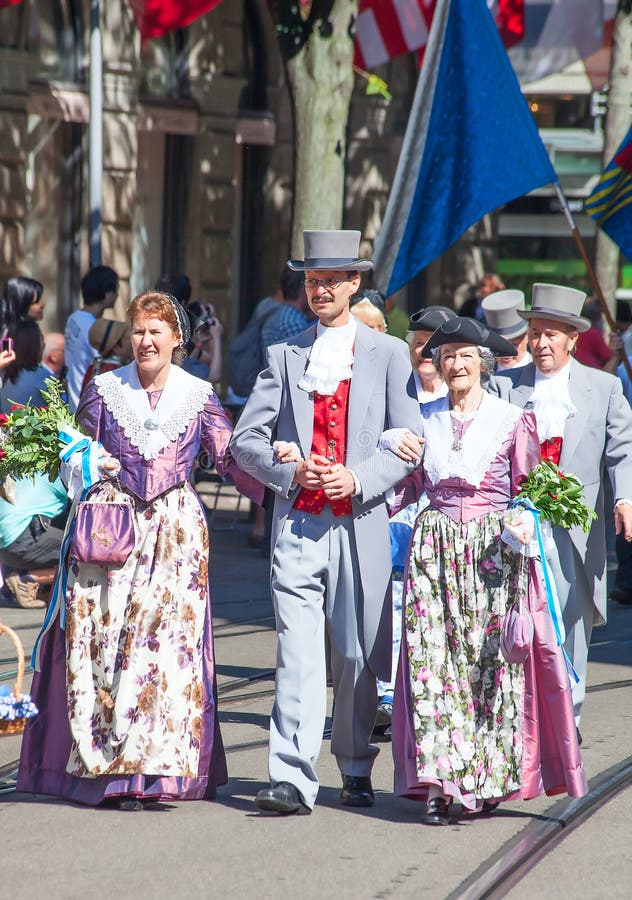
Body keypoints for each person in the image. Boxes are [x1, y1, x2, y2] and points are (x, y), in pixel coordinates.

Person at [18, 290, 262, 809]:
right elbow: (70, 455)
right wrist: (90, 463)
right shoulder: (105, 389)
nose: (146, 340)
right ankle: (107, 764)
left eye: (156, 331)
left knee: (163, 651)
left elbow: (230, 456)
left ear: (177, 339)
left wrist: (282, 472)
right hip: (111, 533)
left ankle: (151, 769)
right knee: (106, 647)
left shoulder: (198, 395)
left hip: (175, 537)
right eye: (138, 331)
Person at [230, 230, 422, 816]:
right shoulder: (285, 355)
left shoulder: (388, 354)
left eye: (331, 281)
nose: (320, 290)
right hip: (299, 526)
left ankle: (356, 762)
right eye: (313, 281)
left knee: (357, 654)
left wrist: (359, 479)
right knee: (297, 652)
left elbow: (410, 443)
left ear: (354, 283)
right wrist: (290, 471)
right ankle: (290, 776)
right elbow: (245, 440)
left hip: (360, 525)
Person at [386, 316, 587, 825]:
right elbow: (405, 489)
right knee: (432, 664)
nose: (456, 364)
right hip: (433, 552)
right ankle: (439, 785)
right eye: (447, 356)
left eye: (465, 356)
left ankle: (485, 776)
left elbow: (529, 488)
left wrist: (524, 520)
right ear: (437, 365)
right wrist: (383, 458)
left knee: (488, 669)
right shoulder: (422, 419)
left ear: (483, 364)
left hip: (492, 555)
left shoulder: (511, 419)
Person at [489, 283, 632, 727]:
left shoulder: (604, 387)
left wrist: (624, 498)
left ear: (573, 337)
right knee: (514, 624)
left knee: (572, 624)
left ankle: (567, 724)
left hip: (576, 531)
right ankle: (519, 722)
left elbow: (623, 450)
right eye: (535, 333)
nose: (541, 343)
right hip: (516, 529)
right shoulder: (503, 386)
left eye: (551, 334)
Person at [373, 305, 457, 739]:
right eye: (419, 344)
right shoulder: (394, 388)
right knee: (391, 601)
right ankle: (387, 695)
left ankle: (429, 692)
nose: (425, 352)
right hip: (394, 511)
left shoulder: (460, 395)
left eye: (433, 345)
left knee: (433, 604)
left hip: (441, 515)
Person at [0, 474, 67, 609]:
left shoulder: (29, 472)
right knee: (80, 551)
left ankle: (34, 590)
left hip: (5, 550)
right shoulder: (63, 476)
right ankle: (26, 579)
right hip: (20, 541)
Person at [64, 265, 119, 412]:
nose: (117, 296)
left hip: (73, 400)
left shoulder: (73, 318)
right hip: (85, 404)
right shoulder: (93, 328)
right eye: (116, 291)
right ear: (108, 294)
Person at [0, 320, 45, 412]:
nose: (44, 345)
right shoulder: (42, 377)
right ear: (34, 346)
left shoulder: (3, 374)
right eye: (41, 341)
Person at [482, 289, 532, 371]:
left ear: (527, 336)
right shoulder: (483, 375)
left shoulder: (539, 372)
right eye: (499, 346)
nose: (506, 353)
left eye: (514, 345)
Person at [81, 318, 133, 392]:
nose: (132, 341)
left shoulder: (93, 367)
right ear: (116, 347)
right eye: (128, 338)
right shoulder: (118, 374)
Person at [183, 301, 224, 383]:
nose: (208, 322)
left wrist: (200, 343)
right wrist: (216, 338)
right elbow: (214, 376)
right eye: (206, 318)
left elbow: (190, 362)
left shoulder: (184, 339)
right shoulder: (185, 343)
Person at [574, 299, 616, 371]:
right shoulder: (593, 333)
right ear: (597, 317)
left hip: (576, 367)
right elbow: (606, 356)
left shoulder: (575, 331)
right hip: (591, 370)